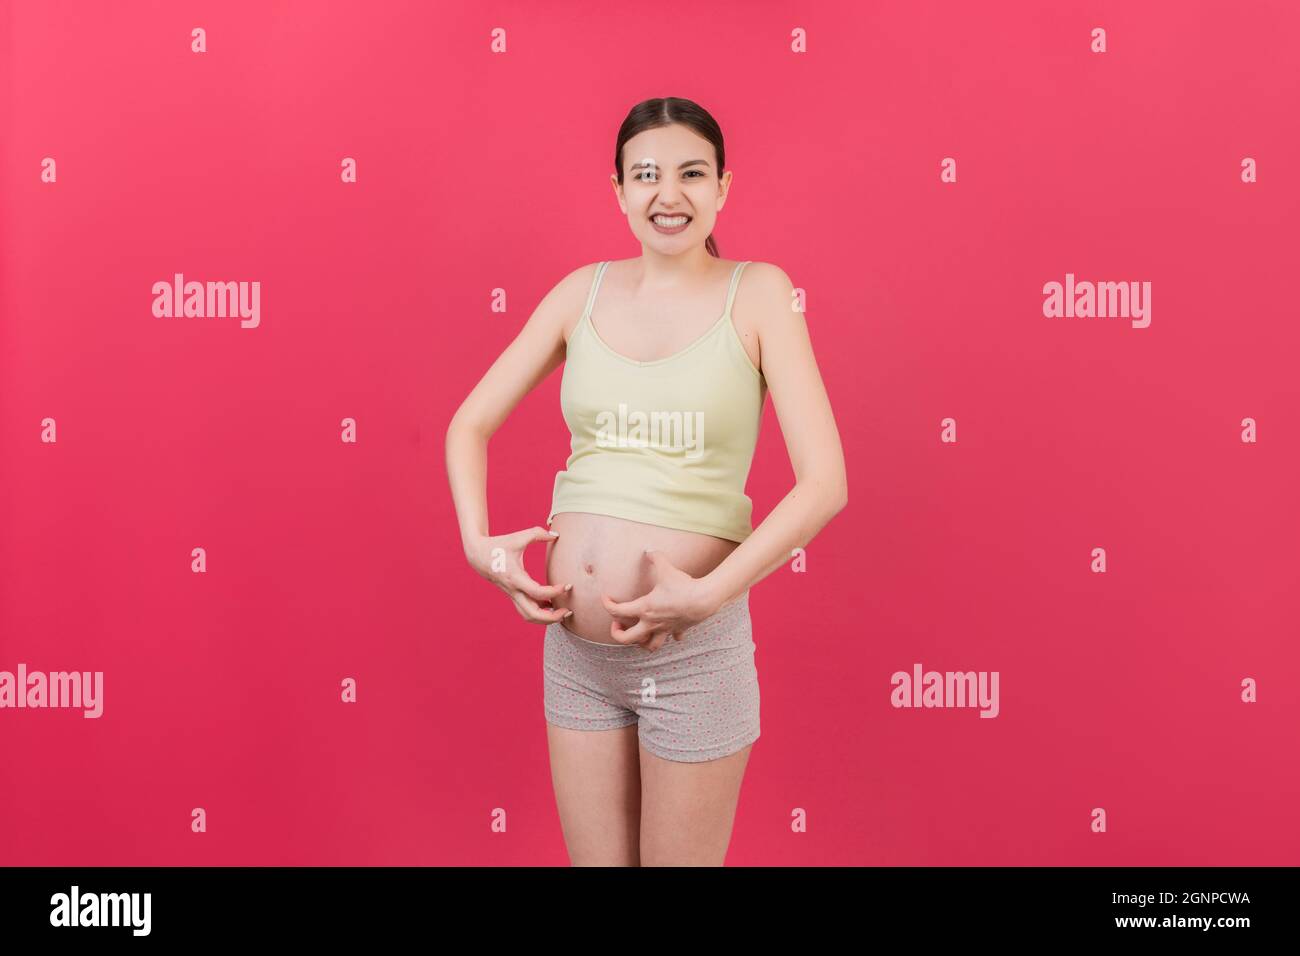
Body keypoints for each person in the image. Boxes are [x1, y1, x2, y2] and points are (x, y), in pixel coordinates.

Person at [445, 96, 847, 865]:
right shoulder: (579, 294)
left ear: (724, 186)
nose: (670, 195)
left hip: (693, 654)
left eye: (692, 174)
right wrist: (479, 546)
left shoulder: (758, 292)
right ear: (619, 190)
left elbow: (825, 481)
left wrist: (710, 592)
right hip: (577, 655)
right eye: (647, 176)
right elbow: (468, 424)